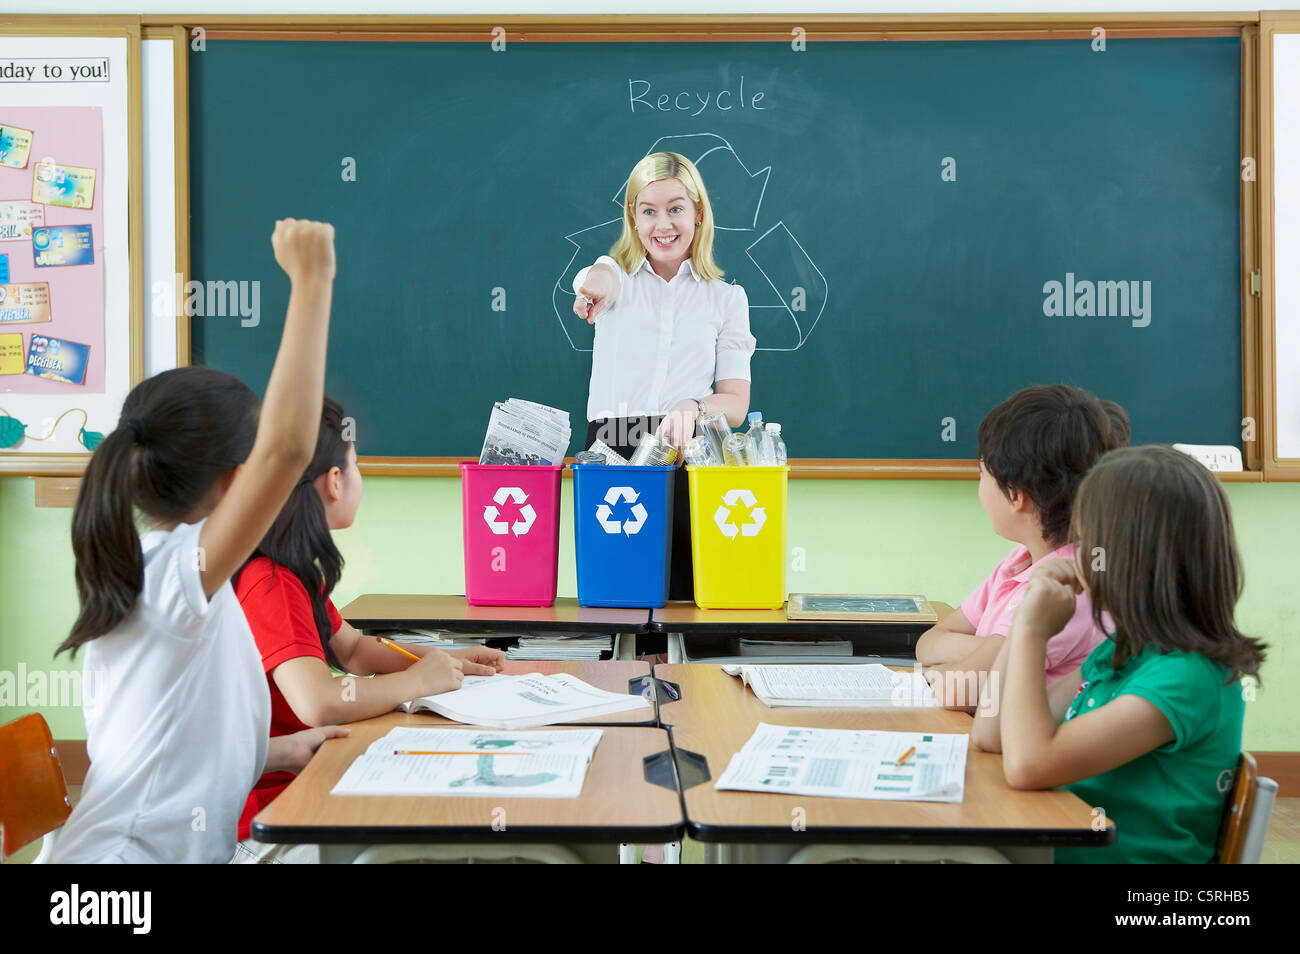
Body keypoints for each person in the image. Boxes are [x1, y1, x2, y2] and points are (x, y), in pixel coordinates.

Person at [49, 220, 342, 863]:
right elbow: (289, 449)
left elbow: (167, 741)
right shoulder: (174, 579)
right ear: (238, 479)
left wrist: (284, 750)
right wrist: (312, 281)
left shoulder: (164, 575)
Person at [231, 396, 506, 862]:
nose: (359, 478)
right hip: (268, 822)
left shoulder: (295, 568)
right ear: (335, 481)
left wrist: (445, 660)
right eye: (355, 465)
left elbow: (355, 650)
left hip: (310, 784)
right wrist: (417, 682)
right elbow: (318, 702)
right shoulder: (270, 580)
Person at [971, 445, 1266, 863]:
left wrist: (1034, 631)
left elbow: (1028, 766)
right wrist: (1023, 624)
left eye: (1088, 540)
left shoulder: (1188, 677)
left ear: (1126, 558)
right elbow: (990, 735)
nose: (1078, 554)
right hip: (1060, 845)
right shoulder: (1122, 650)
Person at [572, 151, 756, 602]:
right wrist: (591, 287)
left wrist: (695, 406)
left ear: (698, 212)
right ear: (633, 219)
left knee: (682, 596)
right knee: (616, 594)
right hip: (613, 446)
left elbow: (735, 403)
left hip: (686, 452)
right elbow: (598, 276)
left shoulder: (726, 299)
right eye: (648, 211)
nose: (663, 224)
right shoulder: (616, 277)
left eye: (675, 208)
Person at [916, 385, 1128, 709]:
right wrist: (990, 650)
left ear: (1015, 496)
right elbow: (927, 643)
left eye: (982, 472)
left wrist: (946, 670)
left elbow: (958, 690)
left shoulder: (1066, 587)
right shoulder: (1019, 563)